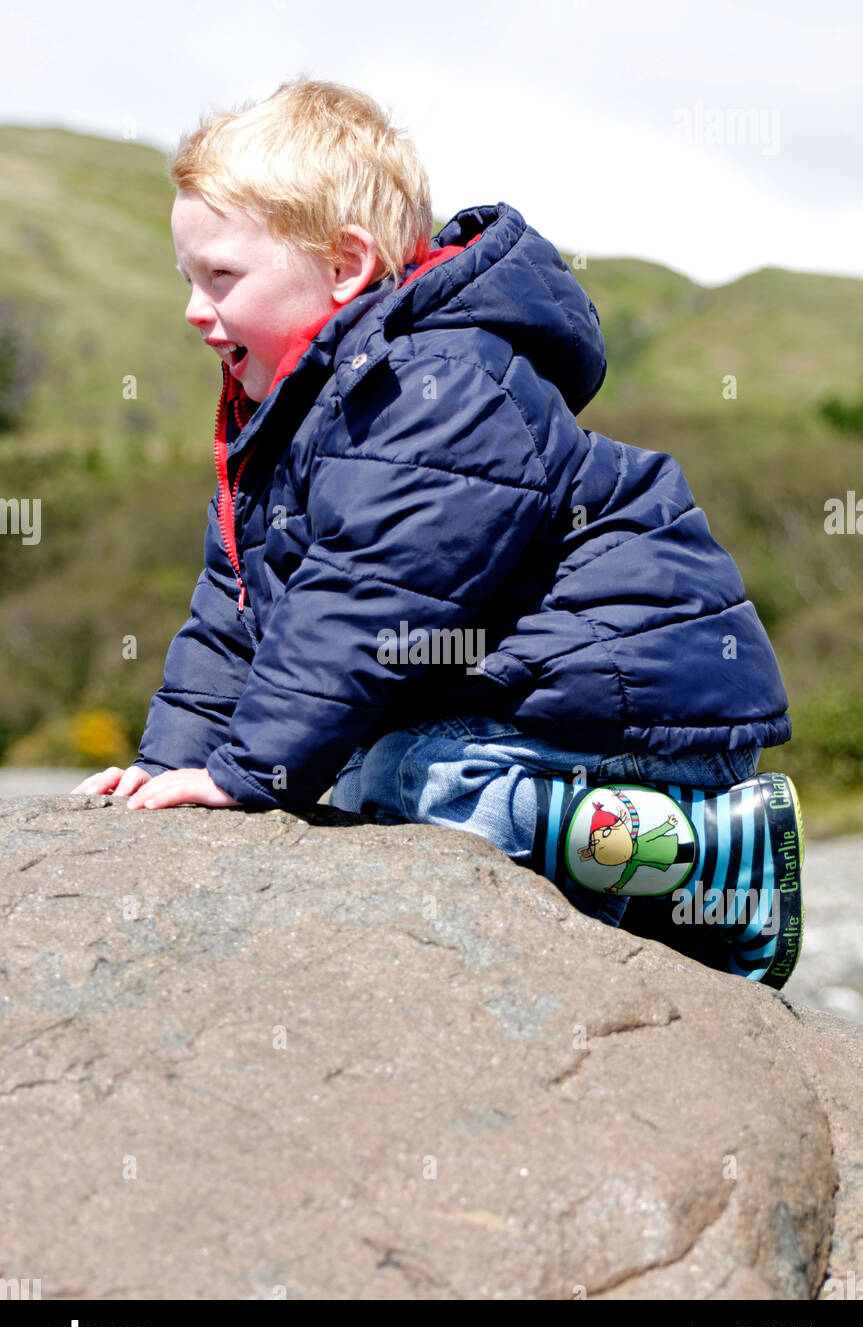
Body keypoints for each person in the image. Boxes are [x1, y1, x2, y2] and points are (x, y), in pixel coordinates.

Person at [71, 78, 802, 985]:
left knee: (403, 783)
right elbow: (236, 608)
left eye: (221, 276)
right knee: (371, 777)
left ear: (343, 265)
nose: (192, 308)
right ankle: (644, 911)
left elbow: (366, 595)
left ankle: (715, 854)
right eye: (187, 276)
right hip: (532, 712)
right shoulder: (291, 420)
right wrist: (172, 766)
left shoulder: (438, 386)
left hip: (632, 712)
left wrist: (248, 770)